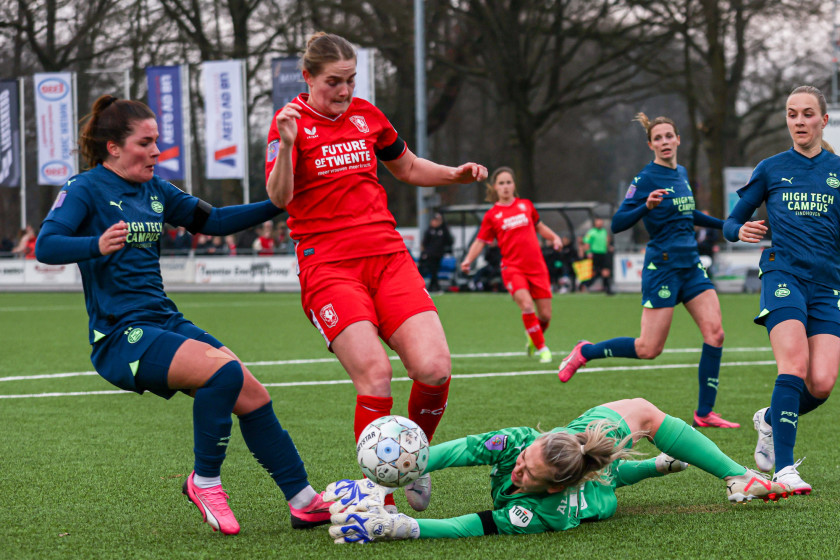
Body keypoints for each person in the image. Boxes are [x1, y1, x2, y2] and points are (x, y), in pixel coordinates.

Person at [35, 94, 331, 536]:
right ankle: (205, 481)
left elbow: (216, 221)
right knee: (223, 373)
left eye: (158, 141)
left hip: (163, 319)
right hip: (120, 334)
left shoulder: (156, 190)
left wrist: (281, 202)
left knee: (253, 395)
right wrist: (94, 245)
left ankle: (304, 501)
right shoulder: (85, 189)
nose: (157, 152)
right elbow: (46, 244)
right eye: (146, 142)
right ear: (114, 147)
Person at [264, 32, 487, 513]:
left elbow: (405, 167)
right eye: (332, 83)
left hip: (388, 258)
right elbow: (279, 198)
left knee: (434, 368)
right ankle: (377, 495)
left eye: (350, 81)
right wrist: (285, 144)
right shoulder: (289, 125)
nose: (343, 92)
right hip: (328, 265)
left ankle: (414, 462)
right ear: (307, 78)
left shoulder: (367, 115)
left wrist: (454, 174)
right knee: (376, 375)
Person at [324, 397, 791, 543]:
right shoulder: (525, 443)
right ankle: (703, 469)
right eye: (524, 464)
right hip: (583, 442)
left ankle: (675, 467)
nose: (519, 474)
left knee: (607, 482)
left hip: (595, 499)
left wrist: (407, 527)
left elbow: (476, 524)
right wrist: (410, 469)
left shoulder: (546, 511)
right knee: (641, 411)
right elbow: (466, 449)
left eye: (528, 477)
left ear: (554, 486)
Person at [557, 113, 739, 429]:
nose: (665, 142)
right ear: (650, 144)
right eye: (658, 138)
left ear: (678, 139)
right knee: (648, 349)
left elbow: (688, 212)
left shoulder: (682, 173)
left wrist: (725, 225)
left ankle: (704, 412)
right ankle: (586, 351)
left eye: (670, 136)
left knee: (716, 333)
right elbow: (617, 224)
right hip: (663, 268)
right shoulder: (645, 179)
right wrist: (646, 207)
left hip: (691, 266)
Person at [723, 85, 840, 495]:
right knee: (793, 364)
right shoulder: (771, 168)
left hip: (828, 285)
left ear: (823, 120)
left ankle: (771, 419)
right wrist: (740, 228)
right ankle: (785, 470)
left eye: (808, 114)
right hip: (783, 275)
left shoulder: (838, 171)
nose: (799, 121)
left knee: (822, 383)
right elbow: (730, 223)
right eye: (792, 114)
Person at [460, 167, 563, 364]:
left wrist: (555, 237)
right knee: (526, 305)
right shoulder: (492, 215)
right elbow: (480, 241)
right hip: (512, 268)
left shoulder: (526, 206)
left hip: (537, 267)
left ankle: (533, 338)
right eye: (501, 183)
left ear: (514, 185)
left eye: (509, 182)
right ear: (495, 188)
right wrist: (468, 260)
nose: (505, 187)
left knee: (545, 314)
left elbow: (540, 227)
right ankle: (543, 349)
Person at [421, 212, 454, 292]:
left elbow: (449, 241)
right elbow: (424, 243)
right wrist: (424, 253)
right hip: (430, 255)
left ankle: (433, 287)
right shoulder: (429, 231)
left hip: (438, 254)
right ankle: (435, 286)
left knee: (435, 270)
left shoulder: (443, 230)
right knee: (432, 270)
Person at [580, 218, 613, 294]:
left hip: (603, 254)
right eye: (598, 223)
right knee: (595, 272)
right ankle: (584, 285)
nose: (600, 224)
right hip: (595, 254)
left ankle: (607, 289)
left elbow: (606, 242)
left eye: (601, 223)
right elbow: (586, 243)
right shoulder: (591, 232)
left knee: (606, 271)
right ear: (595, 224)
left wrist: (609, 247)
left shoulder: (604, 232)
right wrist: (588, 252)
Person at [695, 209, 720, 278]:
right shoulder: (698, 229)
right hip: (699, 251)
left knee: (708, 268)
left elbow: (715, 238)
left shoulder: (711, 228)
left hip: (708, 250)